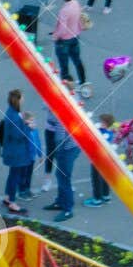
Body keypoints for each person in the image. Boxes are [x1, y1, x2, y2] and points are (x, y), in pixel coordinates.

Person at [0, 88, 37, 215]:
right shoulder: (15, 116)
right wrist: (28, 127)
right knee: (16, 176)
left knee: (12, 175)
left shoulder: (11, 112)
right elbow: (18, 135)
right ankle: (13, 202)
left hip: (12, 151)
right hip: (17, 153)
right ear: (18, 99)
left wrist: (23, 124)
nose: (24, 99)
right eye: (22, 97)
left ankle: (8, 197)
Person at [44, 92, 79, 222]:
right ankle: (60, 201)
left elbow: (60, 137)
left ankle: (68, 208)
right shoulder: (69, 107)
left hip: (67, 149)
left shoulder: (61, 114)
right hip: (71, 147)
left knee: (64, 177)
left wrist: (57, 150)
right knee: (61, 175)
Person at [51, 0, 87, 84]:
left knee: (64, 65)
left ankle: (67, 86)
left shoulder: (64, 11)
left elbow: (62, 29)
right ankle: (83, 81)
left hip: (64, 41)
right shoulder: (76, 3)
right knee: (77, 60)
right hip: (75, 36)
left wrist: (55, 36)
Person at [84, 112, 117, 207]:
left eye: (101, 122)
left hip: (98, 159)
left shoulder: (104, 134)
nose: (99, 123)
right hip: (106, 159)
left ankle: (97, 200)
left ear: (105, 124)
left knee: (96, 178)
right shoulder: (108, 131)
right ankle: (106, 196)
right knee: (105, 177)